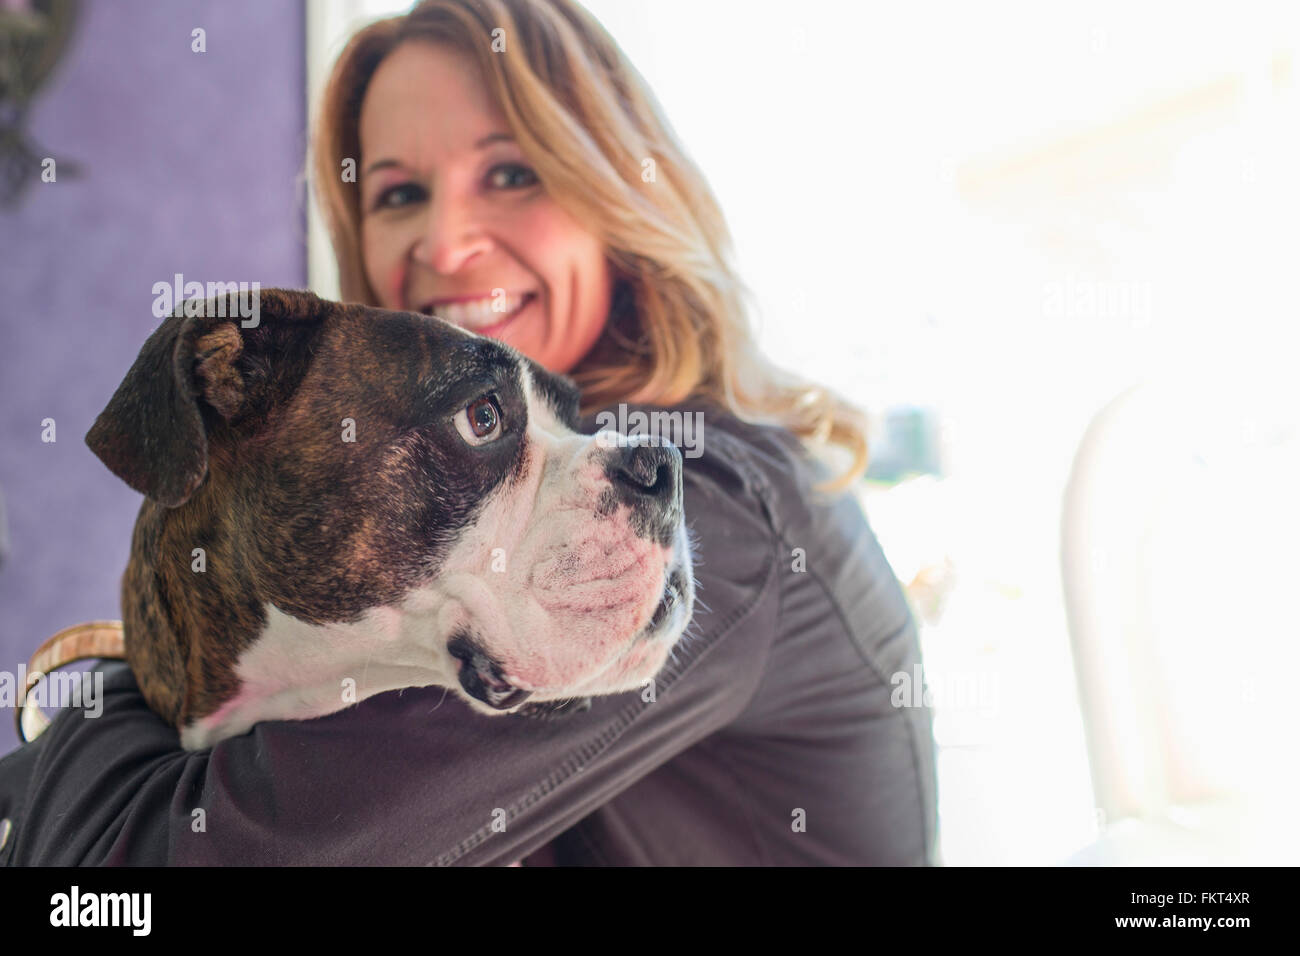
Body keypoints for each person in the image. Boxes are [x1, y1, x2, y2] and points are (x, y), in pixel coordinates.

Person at [0, 0, 938, 865]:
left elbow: (164, 870)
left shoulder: (716, 503)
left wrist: (96, 695)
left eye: (511, 173)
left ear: (616, 187)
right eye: (399, 193)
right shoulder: (468, 535)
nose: (446, 243)